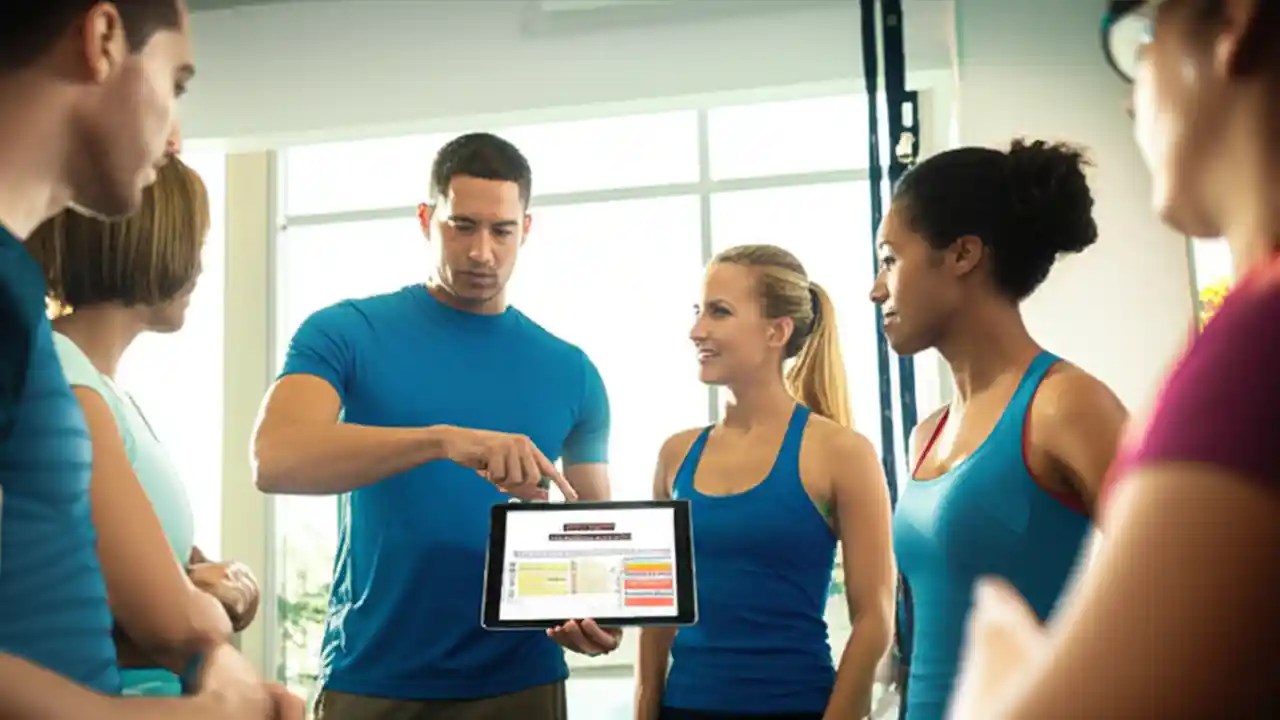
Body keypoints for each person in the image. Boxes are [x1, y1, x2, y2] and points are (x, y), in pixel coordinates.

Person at [951, 1, 1280, 717]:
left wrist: (1003, 665)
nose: (1131, 101)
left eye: (1140, 44)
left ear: (1233, 23)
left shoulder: (1256, 349)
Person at [253, 131, 621, 720]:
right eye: (462, 226)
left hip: (522, 683)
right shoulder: (344, 332)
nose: (482, 252)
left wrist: (600, 616)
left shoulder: (572, 372)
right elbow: (276, 458)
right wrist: (444, 441)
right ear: (427, 220)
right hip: (374, 678)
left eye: (501, 231)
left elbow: (595, 536)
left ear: (526, 230)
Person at [0, 2, 300, 717]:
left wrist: (215, 677)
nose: (175, 135)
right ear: (103, 38)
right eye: (177, 82)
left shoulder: (17, 300)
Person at [867, 138, 1129, 720]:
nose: (876, 289)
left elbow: (1184, 591)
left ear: (962, 254)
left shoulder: (1066, 406)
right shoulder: (926, 435)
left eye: (890, 260)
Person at [26, 155, 262, 697]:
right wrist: (226, 600)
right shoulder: (61, 375)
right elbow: (175, 626)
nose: (199, 266)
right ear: (152, 242)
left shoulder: (103, 391)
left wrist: (203, 594)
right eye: (194, 242)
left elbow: (177, 580)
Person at [635, 244, 896, 720]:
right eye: (698, 311)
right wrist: (644, 709)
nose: (697, 330)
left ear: (777, 331)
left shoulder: (843, 454)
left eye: (719, 312)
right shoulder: (675, 456)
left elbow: (876, 618)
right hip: (683, 707)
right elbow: (657, 611)